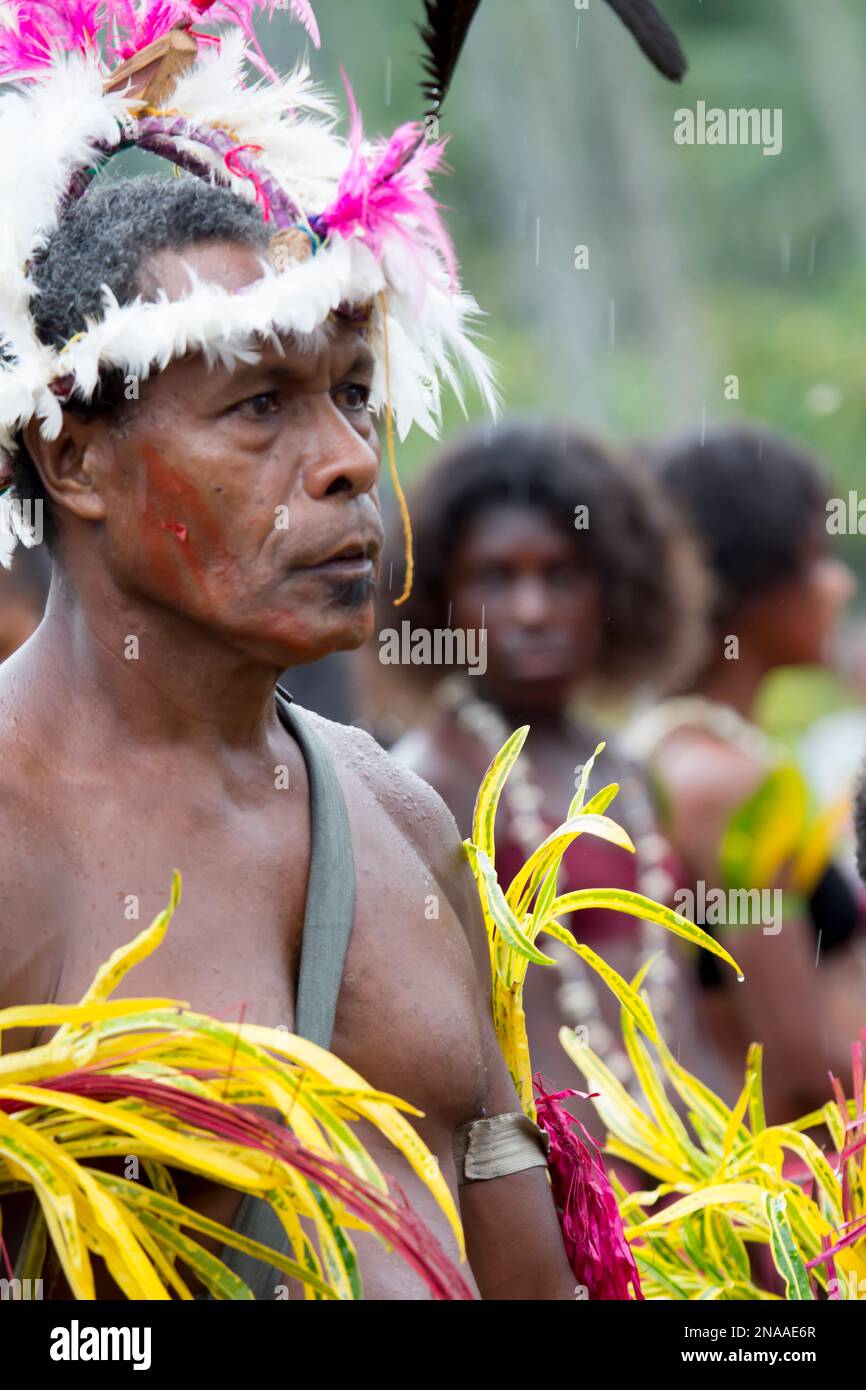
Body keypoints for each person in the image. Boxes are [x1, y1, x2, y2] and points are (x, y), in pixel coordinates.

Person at [0, 9, 576, 1299]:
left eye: (351, 395)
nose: (349, 461)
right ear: (73, 458)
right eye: (259, 406)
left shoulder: (401, 816)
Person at [379, 420, 726, 1121]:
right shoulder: (424, 781)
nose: (531, 611)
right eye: (496, 578)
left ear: (616, 591)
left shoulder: (628, 766)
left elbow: (690, 1007)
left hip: (680, 1179)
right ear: (441, 598)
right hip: (556, 1193)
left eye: (561, 575)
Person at [628, 426, 864, 1123]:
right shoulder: (742, 785)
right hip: (799, 1192)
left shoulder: (659, 750)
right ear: (752, 583)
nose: (838, 583)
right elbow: (795, 1064)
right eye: (817, 557)